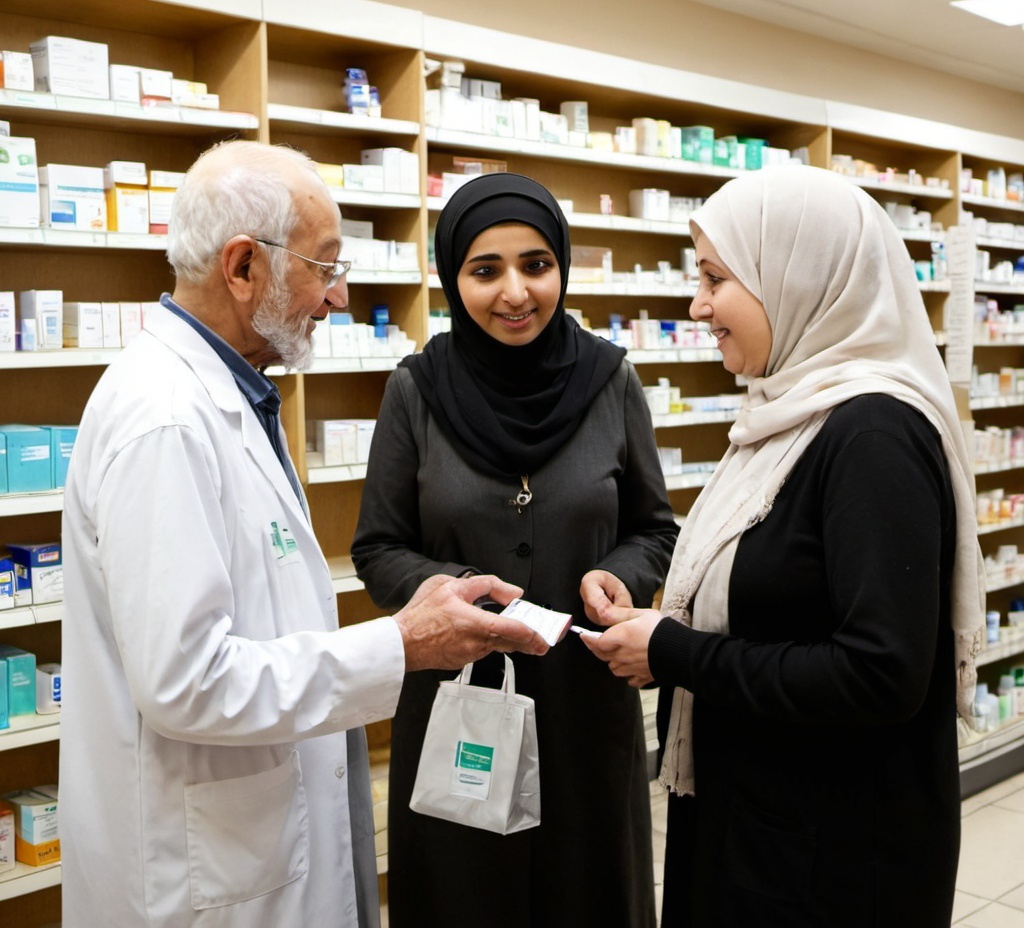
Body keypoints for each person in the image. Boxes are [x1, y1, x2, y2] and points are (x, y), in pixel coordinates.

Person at [58, 141, 548, 928]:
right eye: (324, 267)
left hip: (251, 836)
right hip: (204, 875)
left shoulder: (234, 393)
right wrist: (399, 644)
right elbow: (187, 681)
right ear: (244, 267)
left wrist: (412, 618)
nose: (340, 296)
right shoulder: (166, 420)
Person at [582, 164, 986, 928]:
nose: (698, 305)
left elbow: (881, 673)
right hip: (762, 828)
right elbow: (779, 596)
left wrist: (674, 650)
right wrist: (668, 618)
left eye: (714, 278)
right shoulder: (785, 416)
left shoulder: (873, 435)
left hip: (833, 862)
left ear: (798, 277)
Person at [351, 171, 679, 928]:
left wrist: (620, 574)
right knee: (469, 896)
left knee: (588, 890)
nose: (516, 292)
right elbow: (377, 547)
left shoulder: (610, 380)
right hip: (455, 699)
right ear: (451, 276)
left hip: (586, 698)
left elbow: (655, 527)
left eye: (536, 264)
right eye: (485, 269)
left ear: (561, 264)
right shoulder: (418, 390)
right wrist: (455, 591)